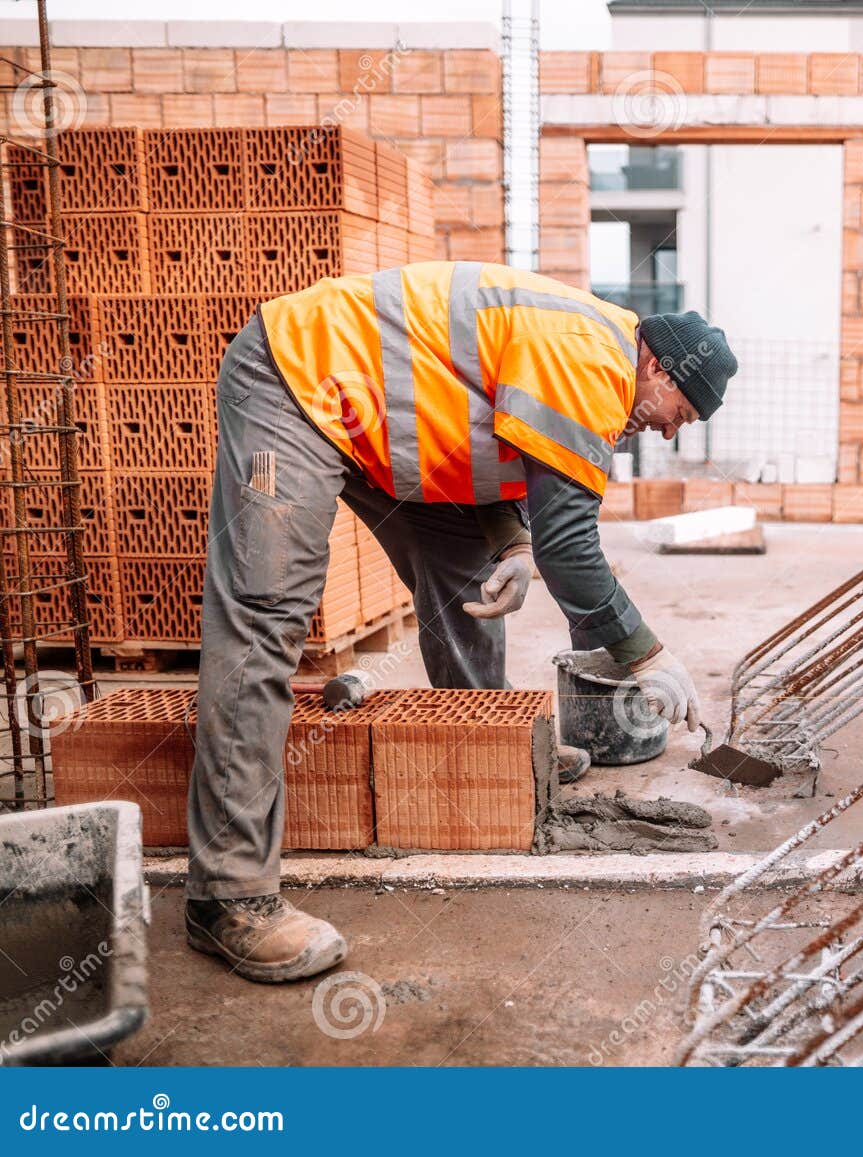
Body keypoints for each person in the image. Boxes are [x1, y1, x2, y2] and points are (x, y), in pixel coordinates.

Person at [186, 262, 736, 981]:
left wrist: (510, 543)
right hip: (298, 380)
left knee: (460, 566)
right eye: (680, 413)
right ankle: (229, 895)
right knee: (266, 611)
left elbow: (480, 426)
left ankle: (494, 742)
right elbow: (572, 549)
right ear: (659, 366)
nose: (665, 431)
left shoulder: (588, 351)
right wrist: (645, 654)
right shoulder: (595, 359)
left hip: (382, 423)